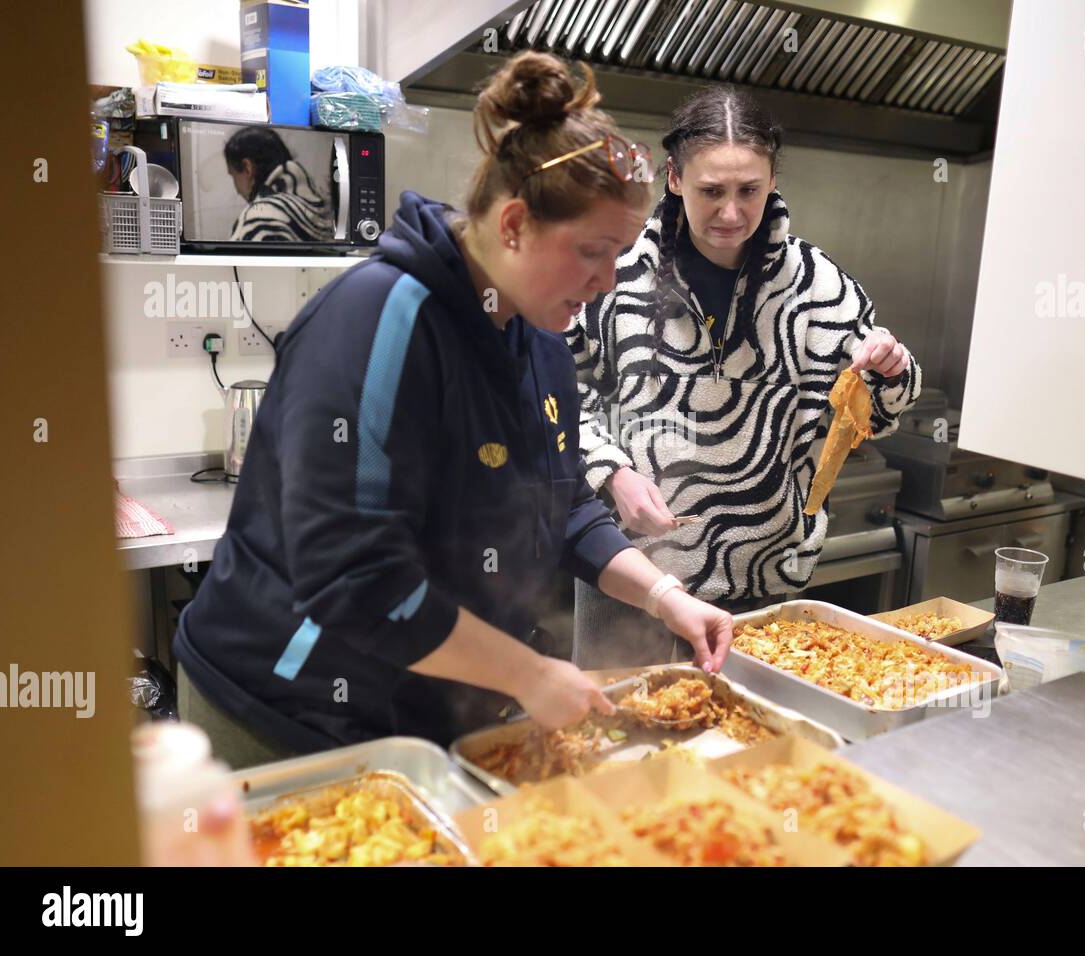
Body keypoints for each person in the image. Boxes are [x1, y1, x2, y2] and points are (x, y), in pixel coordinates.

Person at [175, 53, 733, 769]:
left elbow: (562, 506)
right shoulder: (378, 319)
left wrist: (662, 596)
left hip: (425, 717)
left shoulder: (539, 333)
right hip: (285, 716)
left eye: (620, 256)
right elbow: (356, 580)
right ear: (511, 225)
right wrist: (527, 675)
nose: (604, 283)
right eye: (592, 252)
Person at [569, 85, 922, 669]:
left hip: (761, 590)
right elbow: (553, 400)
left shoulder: (816, 287)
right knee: (615, 749)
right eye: (711, 191)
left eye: (748, 191)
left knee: (749, 755)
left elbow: (874, 417)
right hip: (629, 584)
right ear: (674, 178)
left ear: (773, 180)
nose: (731, 213)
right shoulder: (615, 275)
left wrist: (890, 370)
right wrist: (612, 474)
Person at [223, 126, 333, 242]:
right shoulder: (323, 209)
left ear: (247, 168)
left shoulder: (258, 217)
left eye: (233, 176)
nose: (237, 191)